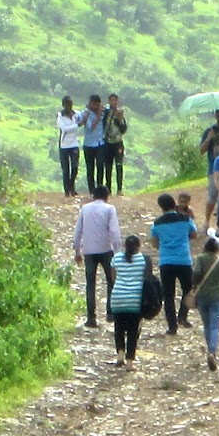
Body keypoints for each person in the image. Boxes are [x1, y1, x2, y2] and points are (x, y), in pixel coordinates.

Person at [72, 184, 122, 328]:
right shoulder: (110, 209)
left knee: (90, 284)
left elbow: (78, 231)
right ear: (107, 196)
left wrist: (77, 251)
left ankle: (91, 317)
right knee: (111, 281)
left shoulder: (85, 209)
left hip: (89, 251)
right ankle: (110, 313)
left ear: (93, 196)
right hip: (106, 250)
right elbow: (114, 231)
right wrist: (118, 252)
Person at [150, 192, 199, 334]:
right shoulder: (185, 219)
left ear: (161, 207)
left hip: (166, 261)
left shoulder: (157, 223)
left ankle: (172, 326)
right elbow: (194, 235)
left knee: (168, 294)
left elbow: (154, 243)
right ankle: (182, 316)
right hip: (184, 259)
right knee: (188, 290)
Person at [190, 237, 219, 372]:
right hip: (218, 296)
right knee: (215, 326)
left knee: (207, 326)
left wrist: (194, 285)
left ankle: (210, 351)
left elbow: (196, 273)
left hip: (202, 296)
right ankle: (212, 352)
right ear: (217, 249)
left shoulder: (200, 259)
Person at [109, 235, 149, 370]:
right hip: (135, 299)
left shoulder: (116, 258)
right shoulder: (143, 259)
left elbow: (113, 277)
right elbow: (146, 279)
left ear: (125, 246)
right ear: (138, 246)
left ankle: (120, 355)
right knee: (133, 332)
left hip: (118, 298)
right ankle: (130, 362)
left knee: (118, 328)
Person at [80, 94, 108, 194]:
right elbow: (91, 127)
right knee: (90, 168)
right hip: (88, 144)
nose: (96, 107)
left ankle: (100, 188)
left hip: (100, 143)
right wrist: (99, 115)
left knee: (100, 165)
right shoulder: (86, 113)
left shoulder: (104, 112)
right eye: (94, 104)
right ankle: (92, 190)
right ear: (90, 104)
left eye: (97, 105)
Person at [104, 93, 129, 195]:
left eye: (115, 100)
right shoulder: (105, 113)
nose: (113, 102)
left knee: (119, 165)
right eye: (111, 100)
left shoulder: (120, 113)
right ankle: (108, 189)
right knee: (108, 166)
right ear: (109, 101)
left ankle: (119, 189)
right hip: (108, 143)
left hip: (118, 142)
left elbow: (123, 130)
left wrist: (119, 119)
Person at [56, 97, 82, 196]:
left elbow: (83, 115)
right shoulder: (60, 117)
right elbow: (65, 129)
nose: (69, 107)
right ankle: (67, 190)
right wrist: (77, 125)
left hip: (74, 144)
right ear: (63, 105)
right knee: (66, 169)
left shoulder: (76, 114)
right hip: (64, 146)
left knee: (75, 167)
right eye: (67, 104)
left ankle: (72, 187)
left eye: (70, 104)